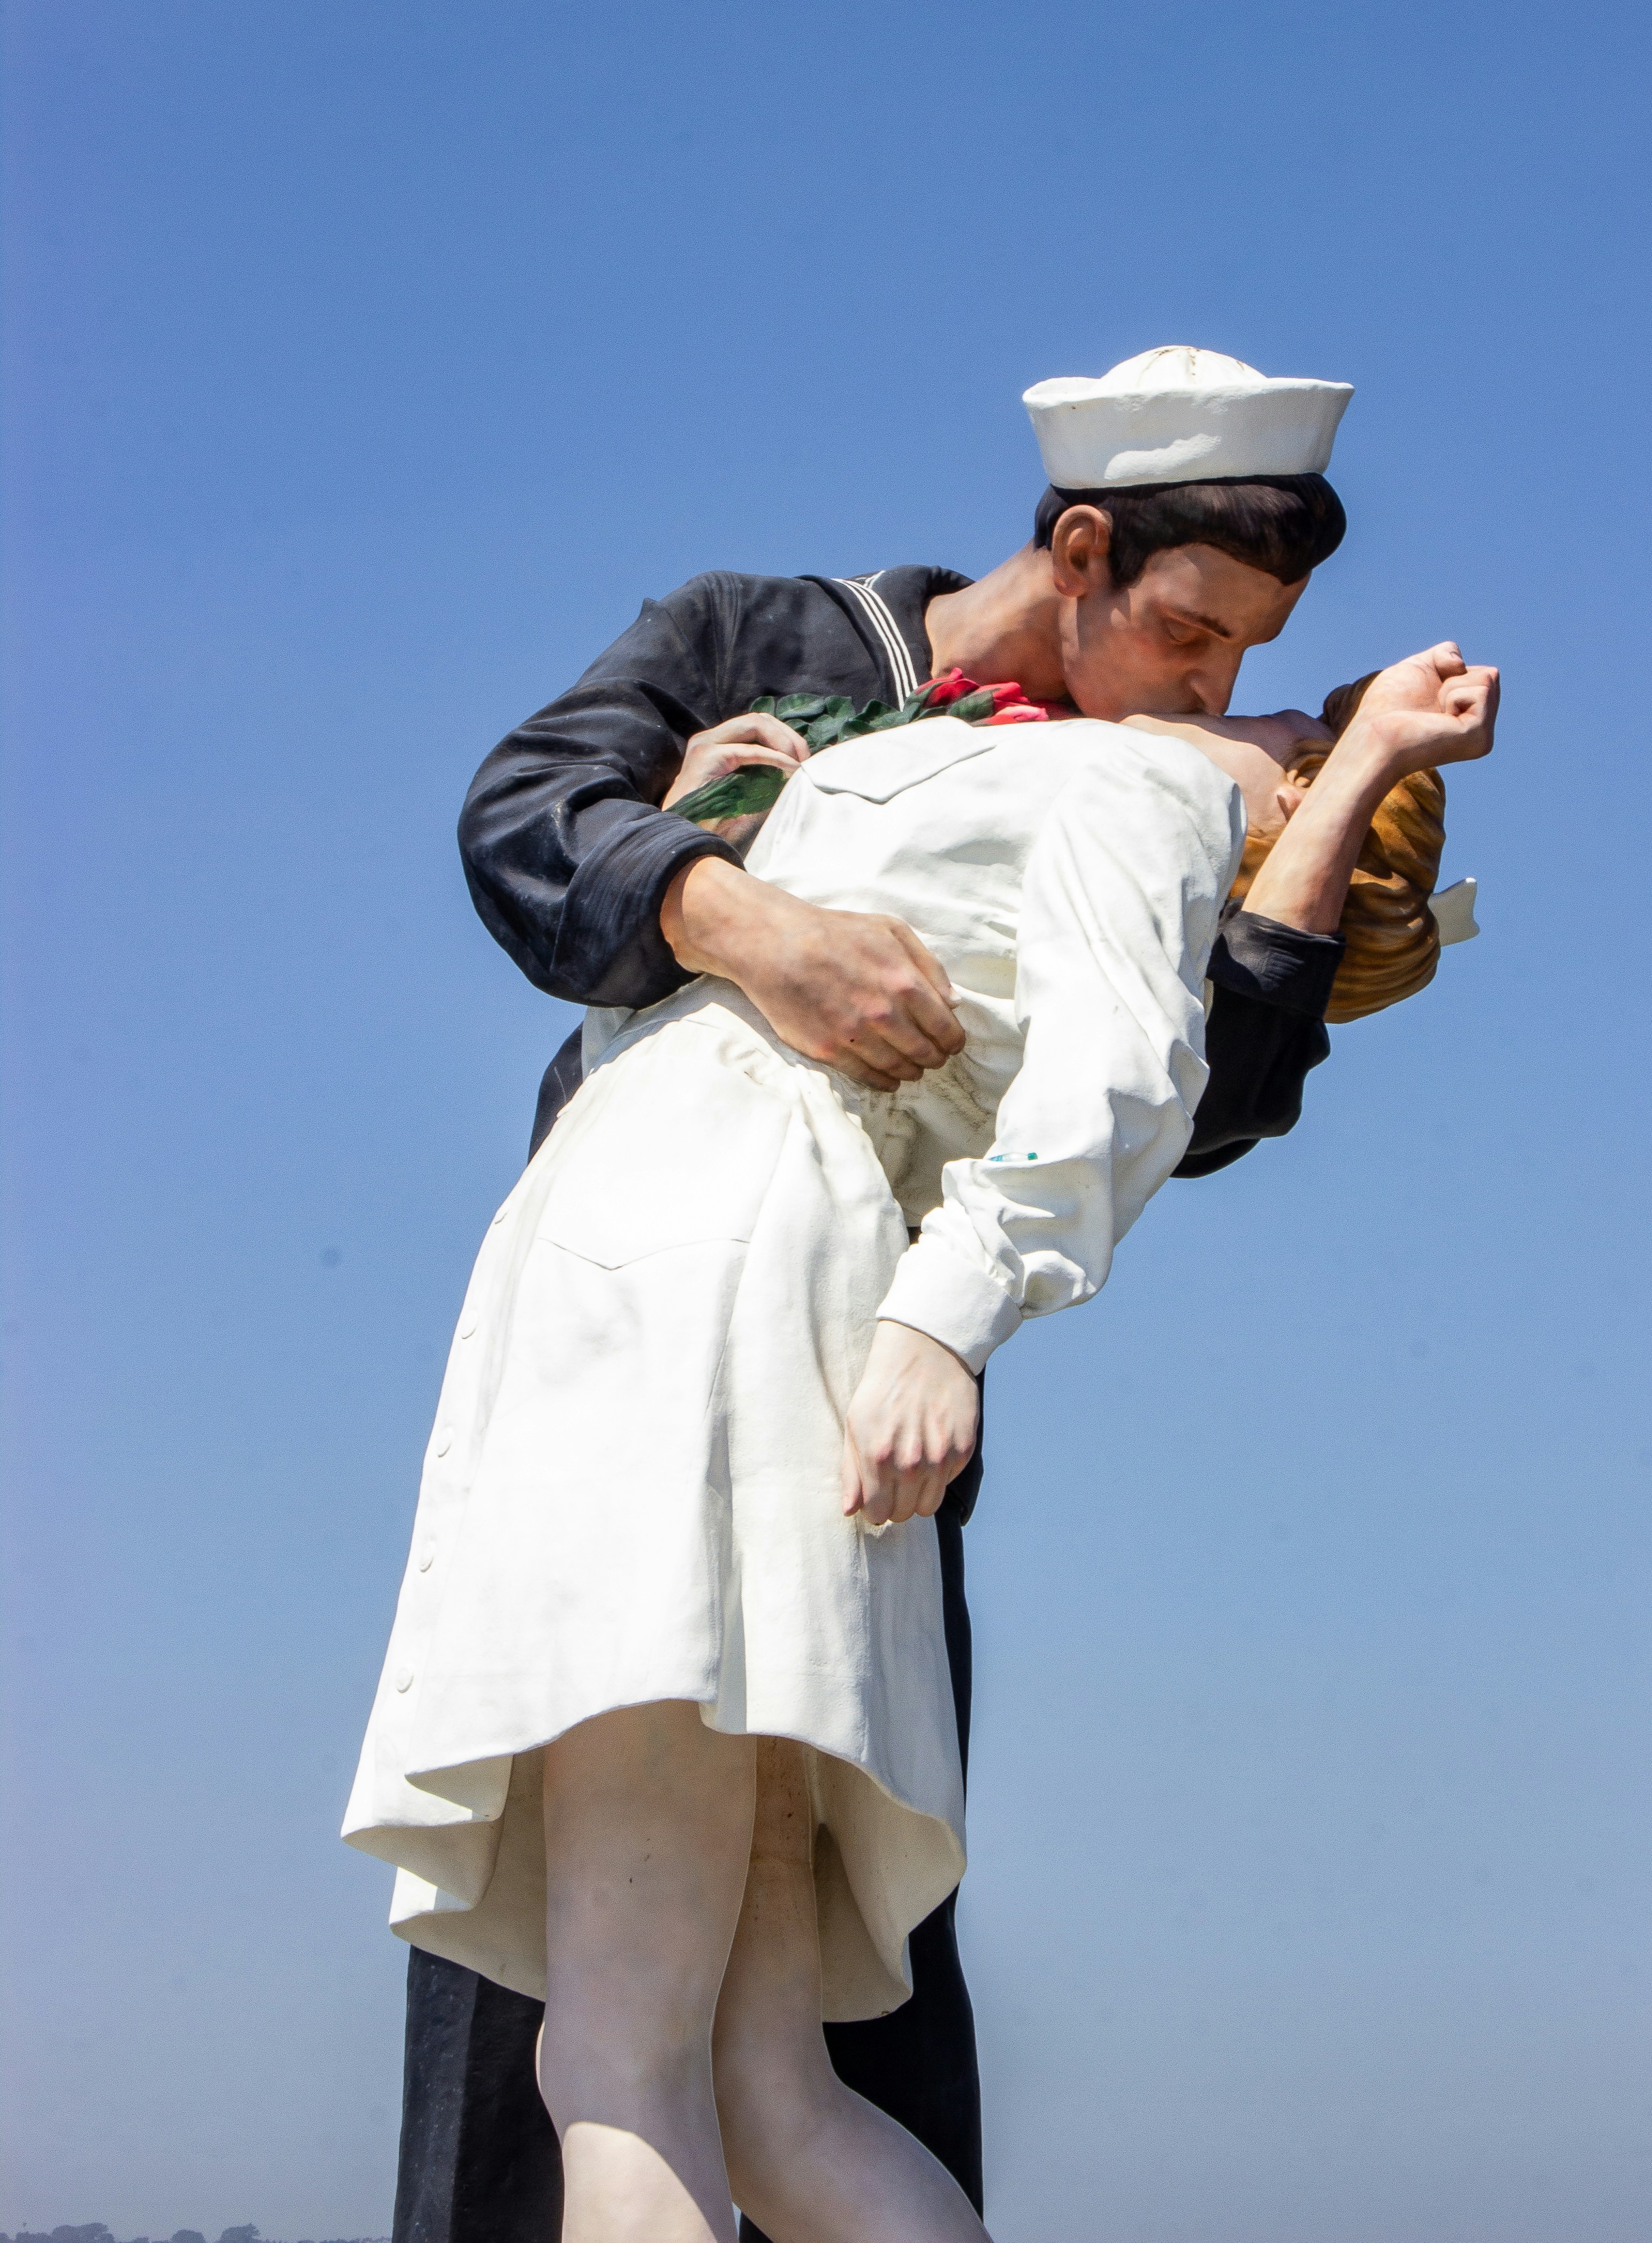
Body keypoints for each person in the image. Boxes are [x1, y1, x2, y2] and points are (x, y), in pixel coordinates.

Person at [345, 635, 1498, 2243]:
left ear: (1284, 805)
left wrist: (949, 1317)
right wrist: (713, 817)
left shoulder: (1139, 782)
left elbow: (1125, 1078)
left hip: (689, 1287)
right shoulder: (1082, 786)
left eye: (1288, 718)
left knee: (618, 2053)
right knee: (765, 2091)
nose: (1251, 693)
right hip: (748, 1280)